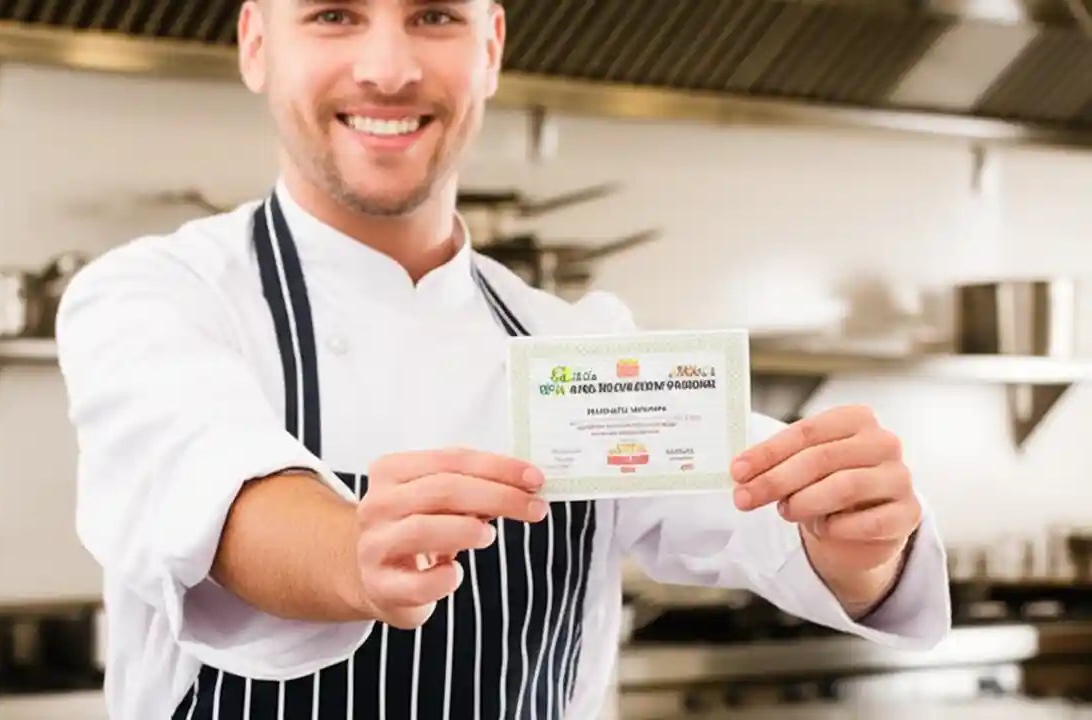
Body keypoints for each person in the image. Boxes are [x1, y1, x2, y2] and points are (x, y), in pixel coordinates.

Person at [54, 1, 952, 718]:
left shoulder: (573, 348)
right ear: (256, 44)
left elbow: (777, 527)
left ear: (491, 47)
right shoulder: (156, 298)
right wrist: (350, 547)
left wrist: (859, 533)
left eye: (435, 16)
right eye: (332, 15)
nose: (388, 67)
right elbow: (211, 488)